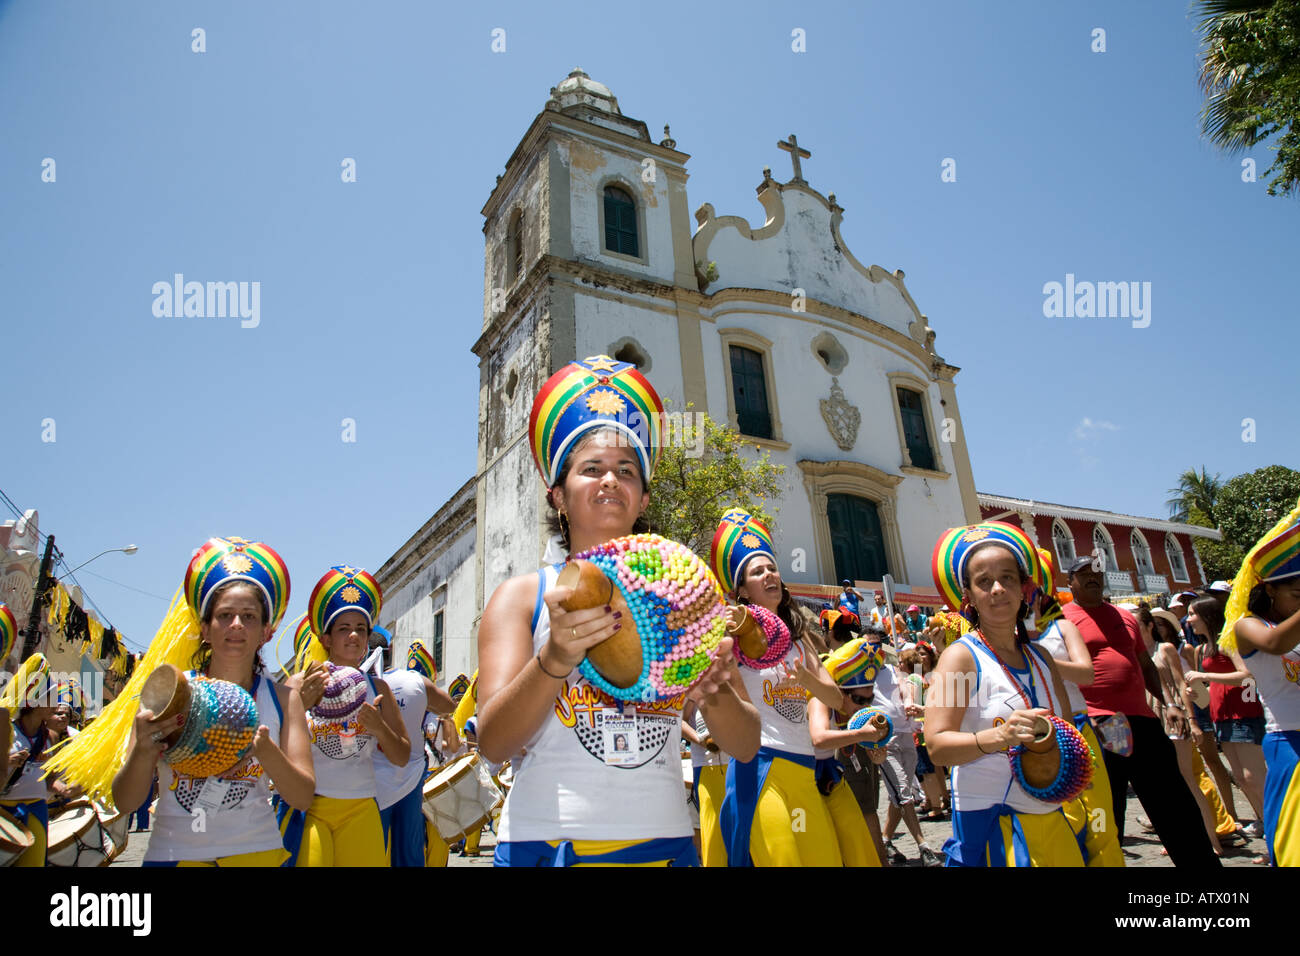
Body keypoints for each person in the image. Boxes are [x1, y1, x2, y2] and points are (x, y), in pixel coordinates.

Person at [476, 355, 759, 867]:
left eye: (626, 471)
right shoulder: (520, 597)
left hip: (667, 842)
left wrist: (713, 691)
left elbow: (743, 746)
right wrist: (553, 660)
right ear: (558, 495)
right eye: (592, 469)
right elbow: (493, 742)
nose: (610, 479)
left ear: (643, 497)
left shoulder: (687, 596)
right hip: (549, 843)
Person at [48, 537, 318, 867]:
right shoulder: (166, 693)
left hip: (255, 853)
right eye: (225, 615)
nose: (236, 624)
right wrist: (144, 750)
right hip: (174, 856)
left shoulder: (283, 699)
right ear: (205, 628)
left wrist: (265, 750)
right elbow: (126, 801)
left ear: (267, 631)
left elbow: (303, 797)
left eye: (249, 616)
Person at [926, 523, 1086, 866]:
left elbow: (1068, 732)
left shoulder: (1043, 659)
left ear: (1025, 588)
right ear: (967, 596)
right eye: (984, 581)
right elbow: (937, 746)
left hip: (1052, 822)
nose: (997, 589)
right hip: (990, 827)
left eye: (1008, 578)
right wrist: (1002, 735)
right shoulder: (959, 657)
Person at [1062, 557, 1220, 866]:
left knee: (1174, 803)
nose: (1093, 578)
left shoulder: (1125, 617)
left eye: (1097, 572)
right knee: (1109, 808)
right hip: (1103, 721)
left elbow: (1144, 664)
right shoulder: (1062, 621)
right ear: (1072, 583)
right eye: (1084, 574)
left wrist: (1169, 703)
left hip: (1142, 720)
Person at [712, 507, 845, 866]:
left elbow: (838, 701)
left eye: (772, 567)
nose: (769, 574)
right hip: (759, 766)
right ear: (741, 590)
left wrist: (806, 679)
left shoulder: (801, 642)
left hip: (803, 769)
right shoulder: (730, 640)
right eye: (758, 572)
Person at [293, 565, 410, 867]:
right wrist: (299, 705)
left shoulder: (379, 687)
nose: (354, 635)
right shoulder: (301, 684)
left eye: (361, 628)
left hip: (361, 807)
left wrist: (380, 728)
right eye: (344, 628)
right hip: (312, 807)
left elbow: (401, 756)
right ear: (326, 638)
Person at [1027, 550, 1120, 866]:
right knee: (1057, 819)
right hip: (1034, 737)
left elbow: (1086, 673)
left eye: (1031, 590)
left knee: (1098, 814)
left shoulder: (1062, 628)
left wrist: (1042, 656)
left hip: (1077, 726)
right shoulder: (1002, 638)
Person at [1220, 503, 1300, 865]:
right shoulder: (1249, 627)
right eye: (1297, 596)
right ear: (1269, 590)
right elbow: (1276, 645)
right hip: (1289, 742)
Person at [1138, 606, 1228, 856]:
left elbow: (1180, 682)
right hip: (1149, 716)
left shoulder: (1164, 649)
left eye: (1137, 625)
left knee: (1187, 779)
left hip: (1172, 714)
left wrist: (1192, 719)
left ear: (1149, 626)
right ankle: (1180, 838)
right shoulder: (1135, 653)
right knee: (1164, 784)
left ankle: (1211, 839)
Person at [1182, 596, 1268, 853]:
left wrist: (1205, 675)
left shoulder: (1226, 641)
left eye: (1192, 613)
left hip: (1243, 713)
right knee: (1241, 777)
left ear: (1206, 615)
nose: (1188, 619)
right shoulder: (1206, 647)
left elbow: (1246, 676)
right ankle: (1267, 826)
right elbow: (1220, 684)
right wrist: (1201, 691)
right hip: (1222, 715)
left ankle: (1278, 828)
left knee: (1254, 777)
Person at [376, 639, 455, 867]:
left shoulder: (357, 680)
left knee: (374, 850)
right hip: (411, 779)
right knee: (411, 851)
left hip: (372, 782)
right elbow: (449, 706)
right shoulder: (414, 680)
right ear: (391, 651)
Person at [874, 645, 942, 865]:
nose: (873, 649)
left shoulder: (894, 671)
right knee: (903, 792)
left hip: (906, 735)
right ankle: (924, 846)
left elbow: (906, 689)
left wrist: (910, 702)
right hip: (885, 739)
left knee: (900, 794)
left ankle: (884, 841)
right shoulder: (860, 674)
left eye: (877, 644)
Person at [1, 653, 56, 866]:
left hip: (36, 809)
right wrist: (9, 760)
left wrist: (67, 788)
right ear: (36, 701)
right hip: (4, 809)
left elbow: (50, 781)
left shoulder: (49, 737)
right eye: (51, 697)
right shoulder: (8, 729)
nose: (56, 703)